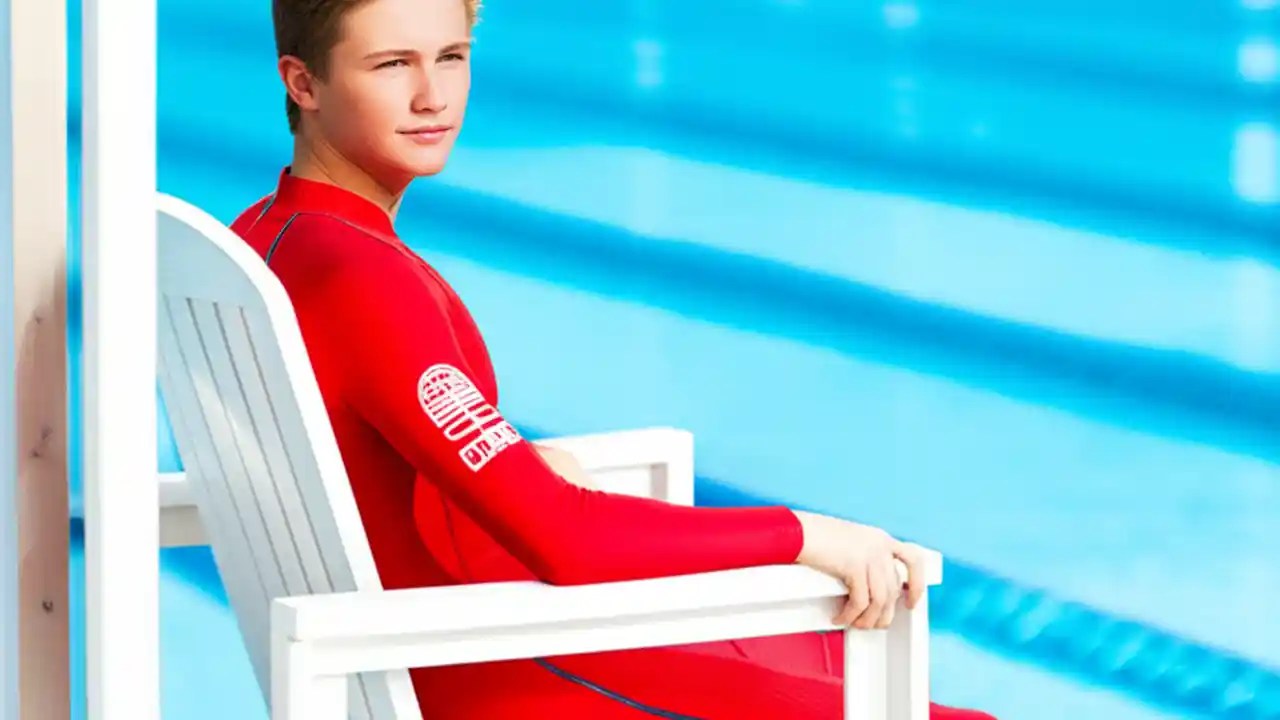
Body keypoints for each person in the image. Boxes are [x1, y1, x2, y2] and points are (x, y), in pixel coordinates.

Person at [232, 0, 998, 717]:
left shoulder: (270, 237)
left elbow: (380, 457)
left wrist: (521, 468)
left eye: (453, 56)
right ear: (303, 82)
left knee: (814, 656)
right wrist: (809, 533)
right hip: (503, 668)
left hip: (453, 643)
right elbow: (568, 539)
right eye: (392, 65)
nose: (434, 97)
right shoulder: (363, 279)